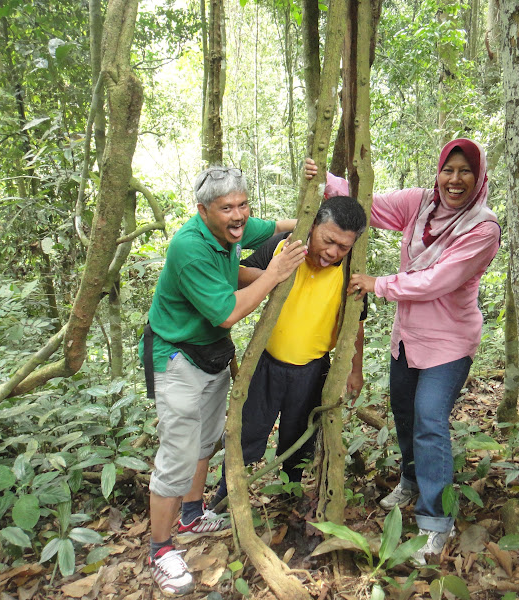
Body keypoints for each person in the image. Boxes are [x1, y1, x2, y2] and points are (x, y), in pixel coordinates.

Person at [305, 138, 500, 566]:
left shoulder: (483, 228)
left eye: (465, 171)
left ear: (479, 175)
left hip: (449, 340)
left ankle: (435, 522)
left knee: (430, 418)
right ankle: (412, 480)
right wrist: (325, 178)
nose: (454, 179)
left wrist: (380, 284)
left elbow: (437, 281)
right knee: (405, 413)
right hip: (408, 337)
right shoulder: (420, 204)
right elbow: (365, 203)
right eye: (448, 170)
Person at [140, 166, 306, 596]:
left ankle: (191, 514)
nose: (237, 216)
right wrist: (275, 272)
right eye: (226, 208)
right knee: (177, 451)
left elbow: (277, 226)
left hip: (212, 354)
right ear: (203, 211)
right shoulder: (189, 247)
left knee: (206, 439)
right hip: (177, 355)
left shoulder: (237, 228)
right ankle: (160, 550)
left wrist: (315, 214)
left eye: (242, 205)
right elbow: (227, 312)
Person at [211, 195, 368, 508]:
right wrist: (277, 274)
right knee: (248, 431)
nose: (333, 252)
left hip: (312, 369)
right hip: (266, 363)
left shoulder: (350, 273)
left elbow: (356, 326)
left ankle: (290, 496)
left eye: (343, 247)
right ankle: (222, 499)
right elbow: (239, 273)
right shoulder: (286, 246)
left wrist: (355, 370)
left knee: (299, 437)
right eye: (328, 240)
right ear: (312, 229)